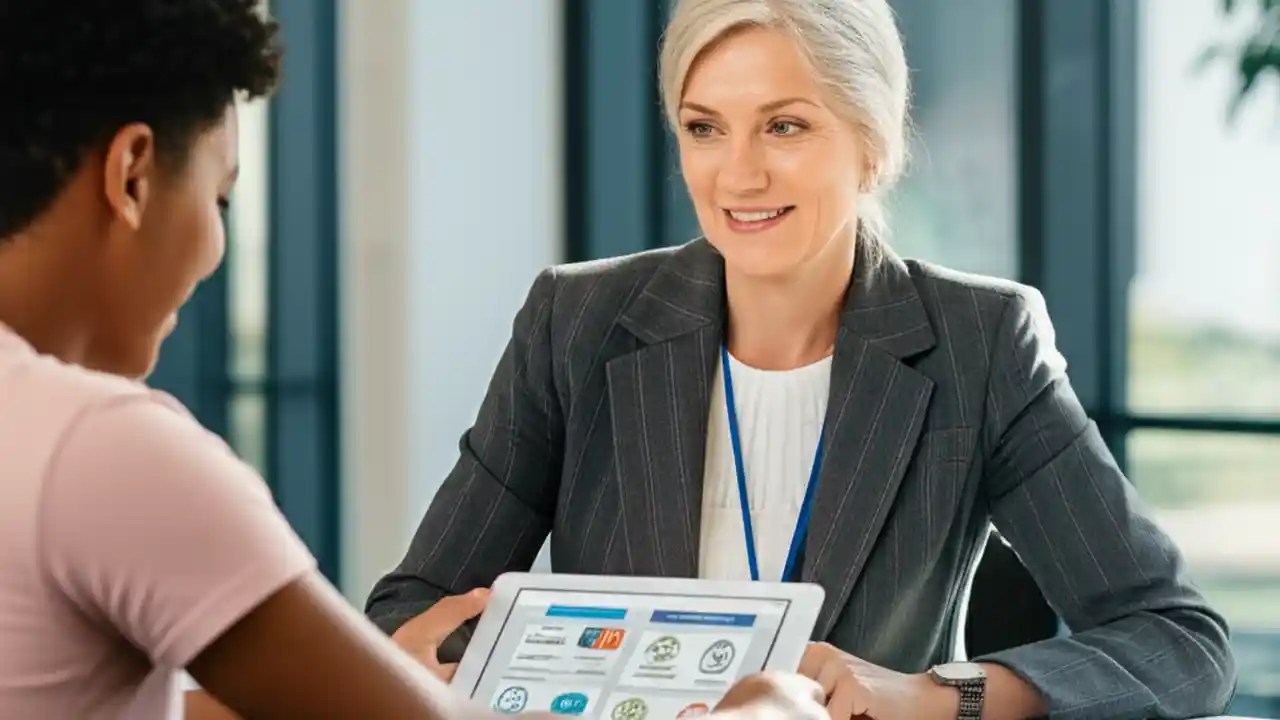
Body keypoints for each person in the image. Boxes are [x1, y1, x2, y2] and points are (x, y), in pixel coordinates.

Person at [366, 0, 1238, 718]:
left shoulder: (981, 343)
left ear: (872, 142)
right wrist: (470, 661)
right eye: (705, 128)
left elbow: (1176, 642)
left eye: (783, 126)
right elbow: (413, 609)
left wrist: (932, 696)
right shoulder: (579, 322)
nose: (737, 175)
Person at [0, 2, 829, 719]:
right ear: (133, 175)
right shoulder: (108, 452)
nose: (216, 247)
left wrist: (388, 677)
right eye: (219, 198)